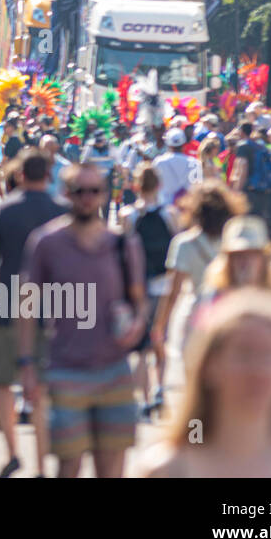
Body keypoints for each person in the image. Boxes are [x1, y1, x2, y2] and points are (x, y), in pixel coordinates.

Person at [19, 163, 145, 478]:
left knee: (111, 467)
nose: (86, 198)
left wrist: (138, 324)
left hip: (114, 370)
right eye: (79, 191)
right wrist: (27, 365)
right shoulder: (46, 243)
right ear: (66, 193)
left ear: (104, 195)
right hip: (65, 370)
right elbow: (27, 306)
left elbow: (140, 301)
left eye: (94, 191)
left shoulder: (122, 244)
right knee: (68, 465)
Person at [142, 289, 271, 477]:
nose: (258, 371)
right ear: (209, 366)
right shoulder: (164, 470)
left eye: (269, 356)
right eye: (244, 354)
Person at [0, 151, 65, 477]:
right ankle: (40, 464)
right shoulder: (62, 211)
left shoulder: (0, 210)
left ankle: (12, 451)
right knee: (42, 390)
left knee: (4, 383)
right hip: (51, 306)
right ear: (49, 175)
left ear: (19, 175)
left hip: (5, 303)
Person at [152, 182, 246, 362]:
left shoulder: (184, 243)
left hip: (197, 316)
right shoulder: (235, 242)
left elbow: (173, 292)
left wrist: (160, 326)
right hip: (230, 314)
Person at [117, 165, 177, 418]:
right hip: (163, 285)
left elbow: (122, 250)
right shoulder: (170, 214)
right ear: (159, 185)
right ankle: (160, 389)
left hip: (137, 285)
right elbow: (176, 249)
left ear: (136, 186)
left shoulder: (127, 215)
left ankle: (142, 400)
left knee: (140, 347)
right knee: (160, 338)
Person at [152, 127, 201, 207]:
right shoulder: (194, 163)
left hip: (164, 208)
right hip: (187, 208)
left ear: (167, 144)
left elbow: (154, 186)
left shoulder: (159, 162)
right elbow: (197, 188)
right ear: (184, 144)